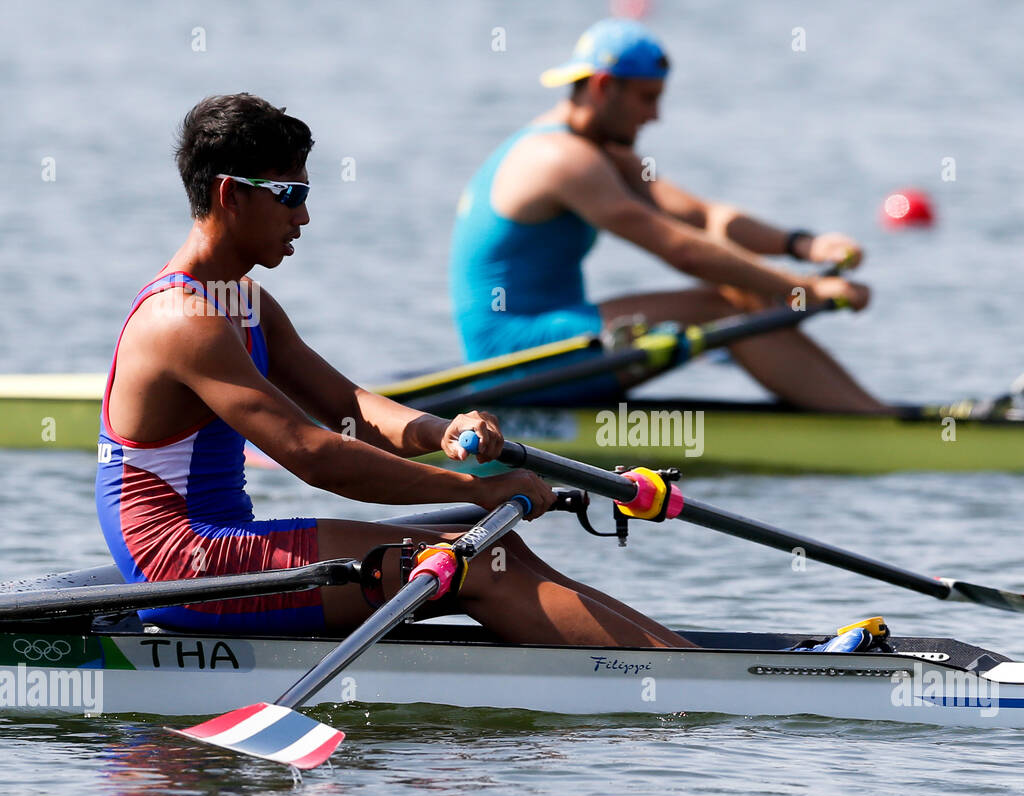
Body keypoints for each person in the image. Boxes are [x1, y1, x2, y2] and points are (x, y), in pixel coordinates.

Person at [95, 92, 690, 648]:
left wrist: (445, 433)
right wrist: (476, 490)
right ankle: (689, 685)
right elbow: (313, 454)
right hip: (182, 566)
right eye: (290, 195)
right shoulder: (184, 322)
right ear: (230, 195)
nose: (303, 216)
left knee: (499, 550)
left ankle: (685, 661)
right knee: (479, 562)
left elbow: (349, 409)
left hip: (221, 545)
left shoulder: (245, 301)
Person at [449, 18, 891, 413]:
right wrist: (805, 289)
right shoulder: (561, 160)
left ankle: (864, 412)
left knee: (739, 294)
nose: (655, 116)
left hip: (560, 331)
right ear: (604, 87)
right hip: (516, 358)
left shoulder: (598, 149)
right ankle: (875, 424)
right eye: (647, 98)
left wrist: (802, 244)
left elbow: (703, 217)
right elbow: (683, 252)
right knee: (728, 304)